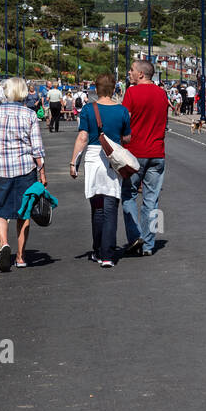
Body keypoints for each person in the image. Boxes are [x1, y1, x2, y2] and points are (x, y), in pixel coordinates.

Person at [0, 76, 47, 272]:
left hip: (0, 169)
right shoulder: (30, 115)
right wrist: (42, 172)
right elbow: (37, 148)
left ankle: (4, 244)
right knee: (24, 212)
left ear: (6, 92)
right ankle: (21, 257)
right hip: (25, 169)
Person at [70, 73, 131, 267]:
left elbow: (82, 137)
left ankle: (97, 250)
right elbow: (127, 139)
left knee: (97, 207)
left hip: (93, 158)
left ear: (96, 89)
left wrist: (73, 163)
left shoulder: (88, 109)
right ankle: (107, 255)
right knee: (111, 206)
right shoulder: (122, 111)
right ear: (114, 89)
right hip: (113, 158)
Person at [120, 59, 167, 257]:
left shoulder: (131, 92)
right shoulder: (162, 94)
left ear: (140, 74)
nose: (129, 73)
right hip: (157, 153)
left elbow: (124, 119)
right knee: (152, 200)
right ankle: (149, 244)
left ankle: (135, 236)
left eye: (131, 70)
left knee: (129, 195)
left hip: (135, 153)